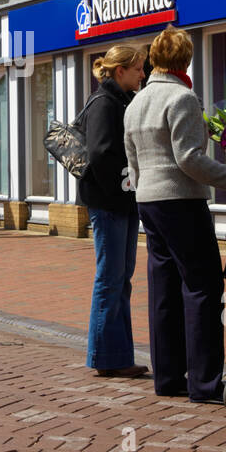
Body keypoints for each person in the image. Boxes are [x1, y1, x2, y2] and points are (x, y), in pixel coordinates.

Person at [124, 25, 226, 402]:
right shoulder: (182, 98)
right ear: (185, 60)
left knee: (163, 290)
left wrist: (146, 189)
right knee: (203, 287)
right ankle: (205, 382)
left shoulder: (136, 103)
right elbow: (190, 160)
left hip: (149, 202)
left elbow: (133, 161)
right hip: (181, 201)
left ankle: (168, 378)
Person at [81, 44, 149, 378]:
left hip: (120, 204)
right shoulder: (105, 104)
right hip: (109, 205)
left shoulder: (120, 100)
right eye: (137, 68)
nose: (142, 73)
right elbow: (102, 155)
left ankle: (117, 354)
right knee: (110, 279)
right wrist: (126, 186)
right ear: (119, 71)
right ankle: (106, 356)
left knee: (120, 279)